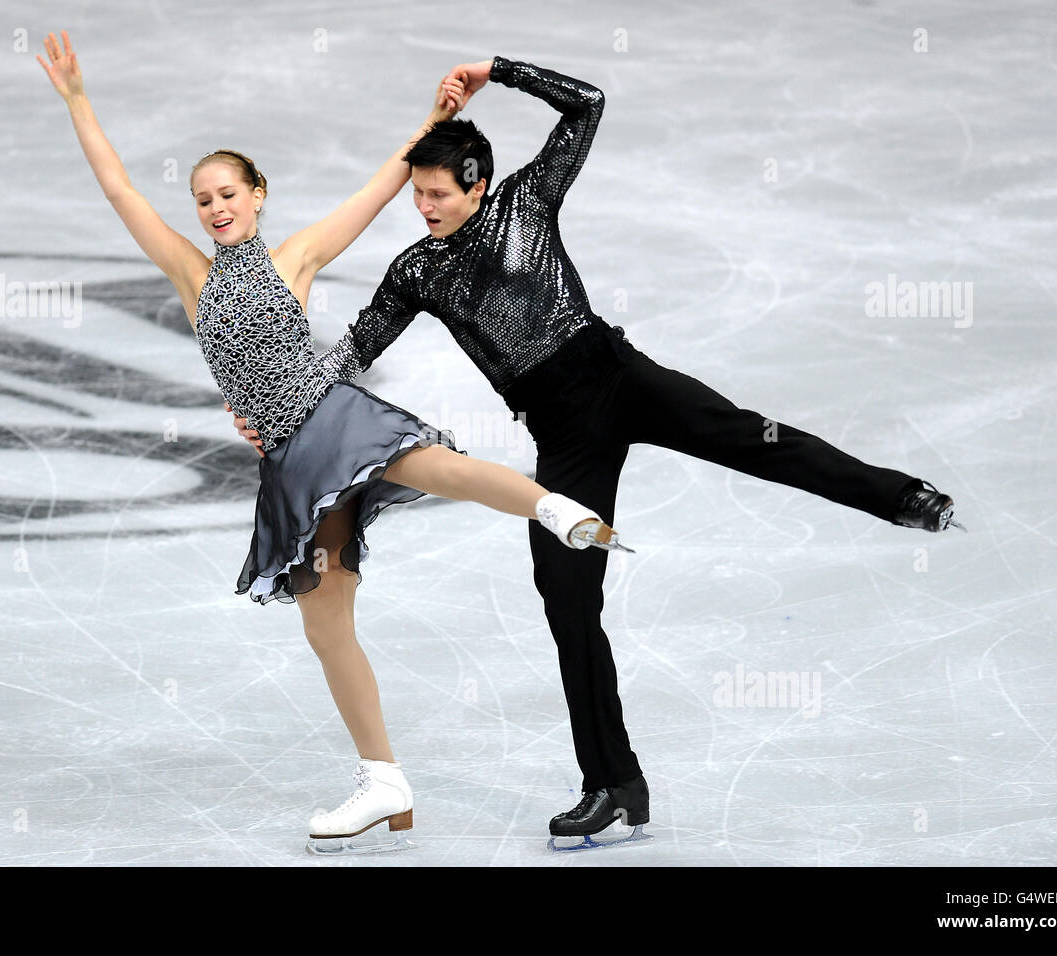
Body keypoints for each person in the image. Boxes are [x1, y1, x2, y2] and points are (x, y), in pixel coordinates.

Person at [232, 56, 966, 849]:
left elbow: (586, 106)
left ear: (477, 182)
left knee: (760, 440)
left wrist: (500, 72)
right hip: (565, 432)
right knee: (567, 596)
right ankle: (615, 786)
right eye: (417, 195)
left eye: (438, 193)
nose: (425, 207)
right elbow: (358, 345)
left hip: (620, 379)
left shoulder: (527, 198)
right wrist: (284, 399)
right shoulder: (418, 271)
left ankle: (902, 498)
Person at [36, 32, 630, 853]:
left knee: (442, 470)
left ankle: (557, 508)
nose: (214, 207)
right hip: (291, 464)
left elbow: (383, 186)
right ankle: (384, 782)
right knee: (325, 625)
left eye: (228, 193)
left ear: (258, 195)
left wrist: (431, 119)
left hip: (331, 421)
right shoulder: (189, 274)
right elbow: (118, 190)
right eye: (203, 198)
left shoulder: (296, 257)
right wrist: (77, 101)